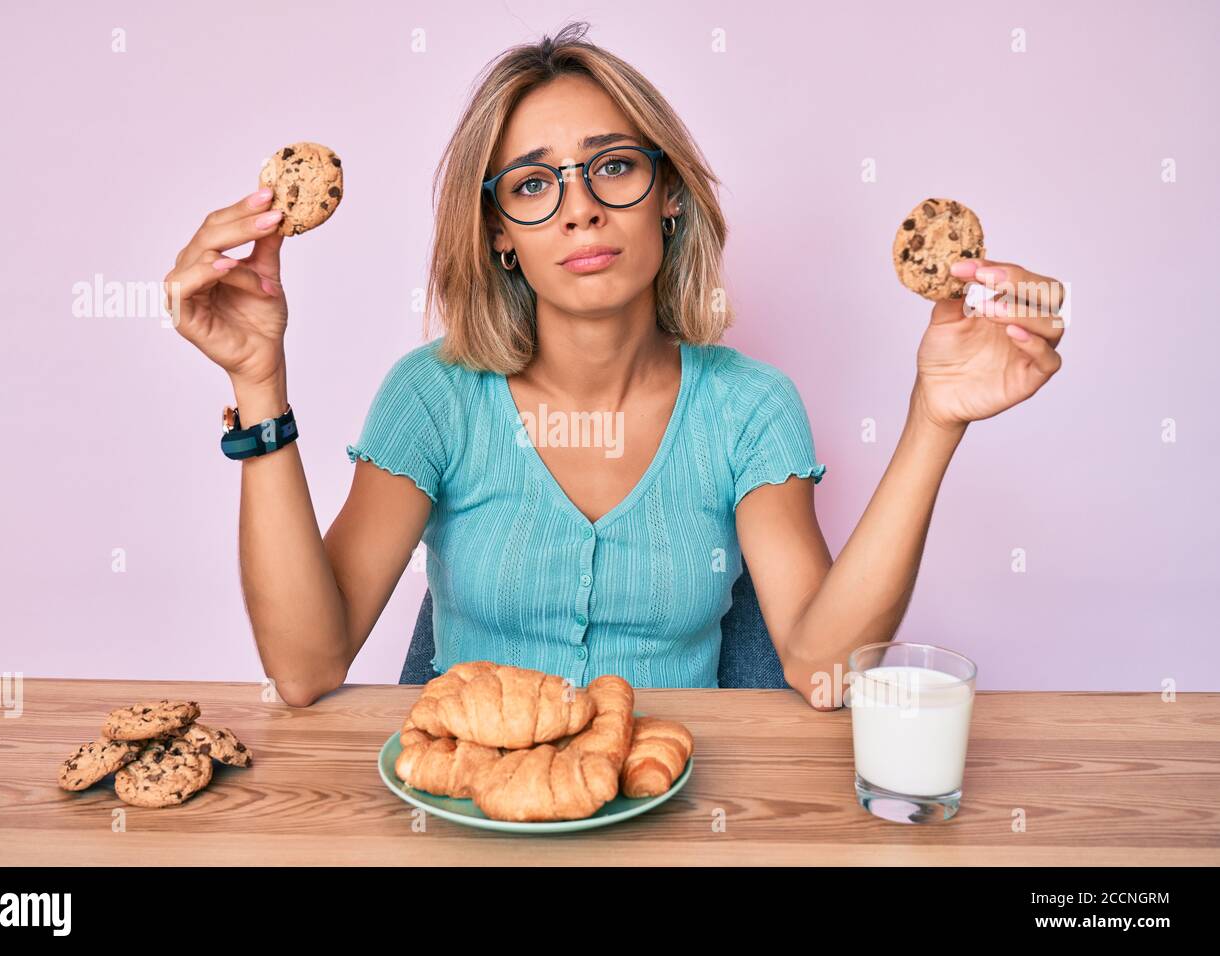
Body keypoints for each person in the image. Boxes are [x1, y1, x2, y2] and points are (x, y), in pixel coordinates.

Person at [163, 23, 1065, 707]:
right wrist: (256, 382)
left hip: (677, 818)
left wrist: (934, 417)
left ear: (666, 196)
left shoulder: (750, 410)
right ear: (500, 237)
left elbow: (824, 667)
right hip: (466, 819)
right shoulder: (433, 396)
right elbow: (306, 666)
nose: (580, 210)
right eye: (532, 184)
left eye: (614, 168)